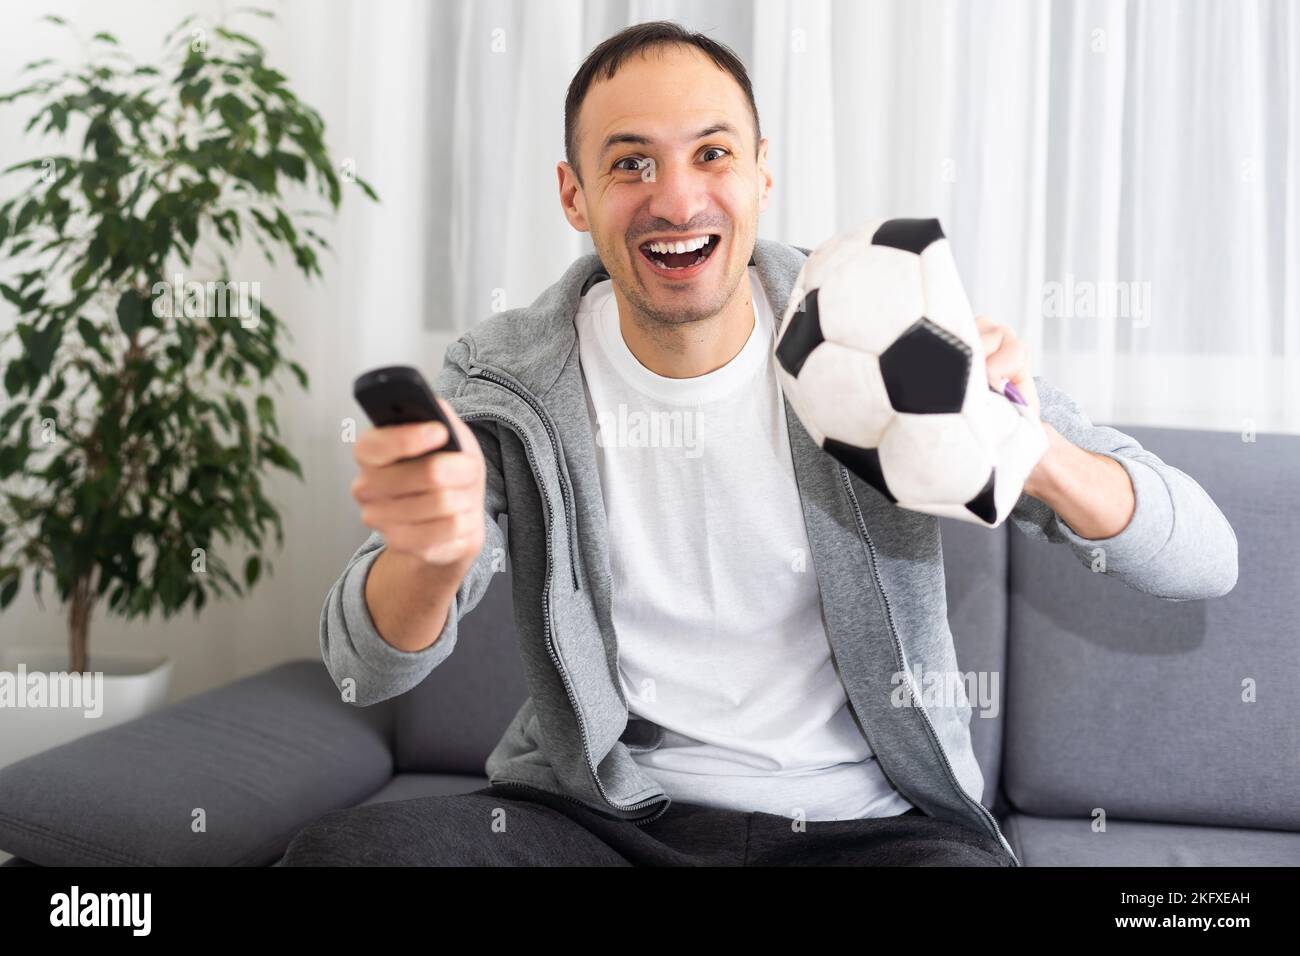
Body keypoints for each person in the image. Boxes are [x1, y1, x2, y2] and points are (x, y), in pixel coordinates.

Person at [279, 21, 1238, 867]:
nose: (677, 197)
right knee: (340, 856)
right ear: (573, 196)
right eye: (630, 164)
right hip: (605, 824)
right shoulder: (507, 381)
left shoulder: (883, 320)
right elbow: (369, 668)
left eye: (712, 154)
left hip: (871, 834)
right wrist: (427, 557)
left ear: (762, 173)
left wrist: (1025, 446)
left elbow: (1205, 559)